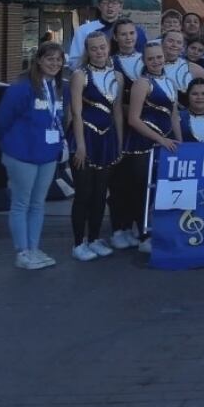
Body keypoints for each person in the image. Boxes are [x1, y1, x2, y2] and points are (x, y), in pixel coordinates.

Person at [0, 40, 66, 270]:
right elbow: (1, 120)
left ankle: (34, 248)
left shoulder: (56, 87)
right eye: (49, 59)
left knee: (37, 204)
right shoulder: (22, 88)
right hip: (22, 154)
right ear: (38, 61)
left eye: (58, 60)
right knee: (21, 203)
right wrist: (10, 145)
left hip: (46, 154)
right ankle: (22, 252)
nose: (54, 63)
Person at [116, 41, 180, 252]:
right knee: (142, 191)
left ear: (165, 57)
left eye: (159, 57)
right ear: (144, 61)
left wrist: (182, 143)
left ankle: (156, 230)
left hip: (165, 144)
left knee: (158, 191)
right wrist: (160, 139)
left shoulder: (170, 82)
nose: (155, 62)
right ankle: (144, 234)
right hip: (141, 144)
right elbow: (133, 119)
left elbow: (174, 116)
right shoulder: (142, 83)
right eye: (151, 58)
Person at [67, 33, 124, 261]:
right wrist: (80, 145)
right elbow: (76, 113)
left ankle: (94, 238)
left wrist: (119, 143)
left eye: (102, 47)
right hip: (85, 137)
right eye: (94, 49)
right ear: (87, 52)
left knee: (101, 193)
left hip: (107, 140)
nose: (99, 52)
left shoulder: (117, 76)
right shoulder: (80, 75)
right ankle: (78, 243)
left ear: (108, 48)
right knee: (84, 193)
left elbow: (117, 111)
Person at [65, 0, 123, 65]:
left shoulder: (130, 30)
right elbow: (74, 60)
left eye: (114, 3)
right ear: (99, 6)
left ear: (120, 6)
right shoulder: (84, 30)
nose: (110, 6)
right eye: (105, 2)